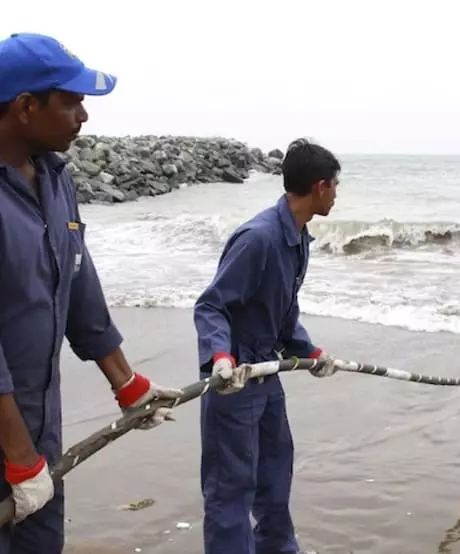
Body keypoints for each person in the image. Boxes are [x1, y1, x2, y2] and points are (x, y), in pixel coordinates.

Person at [0, 32, 183, 554]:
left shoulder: (56, 178)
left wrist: (128, 384)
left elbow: (79, 285)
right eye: (72, 101)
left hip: (39, 423)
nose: (84, 116)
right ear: (26, 106)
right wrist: (16, 455)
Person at [193, 138, 340, 554]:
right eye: (335, 185)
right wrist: (220, 358)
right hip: (234, 380)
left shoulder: (298, 238)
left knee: (275, 474)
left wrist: (309, 353)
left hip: (267, 375)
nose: (336, 195)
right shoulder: (257, 239)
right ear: (319, 187)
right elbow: (211, 306)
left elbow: (281, 311)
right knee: (230, 489)